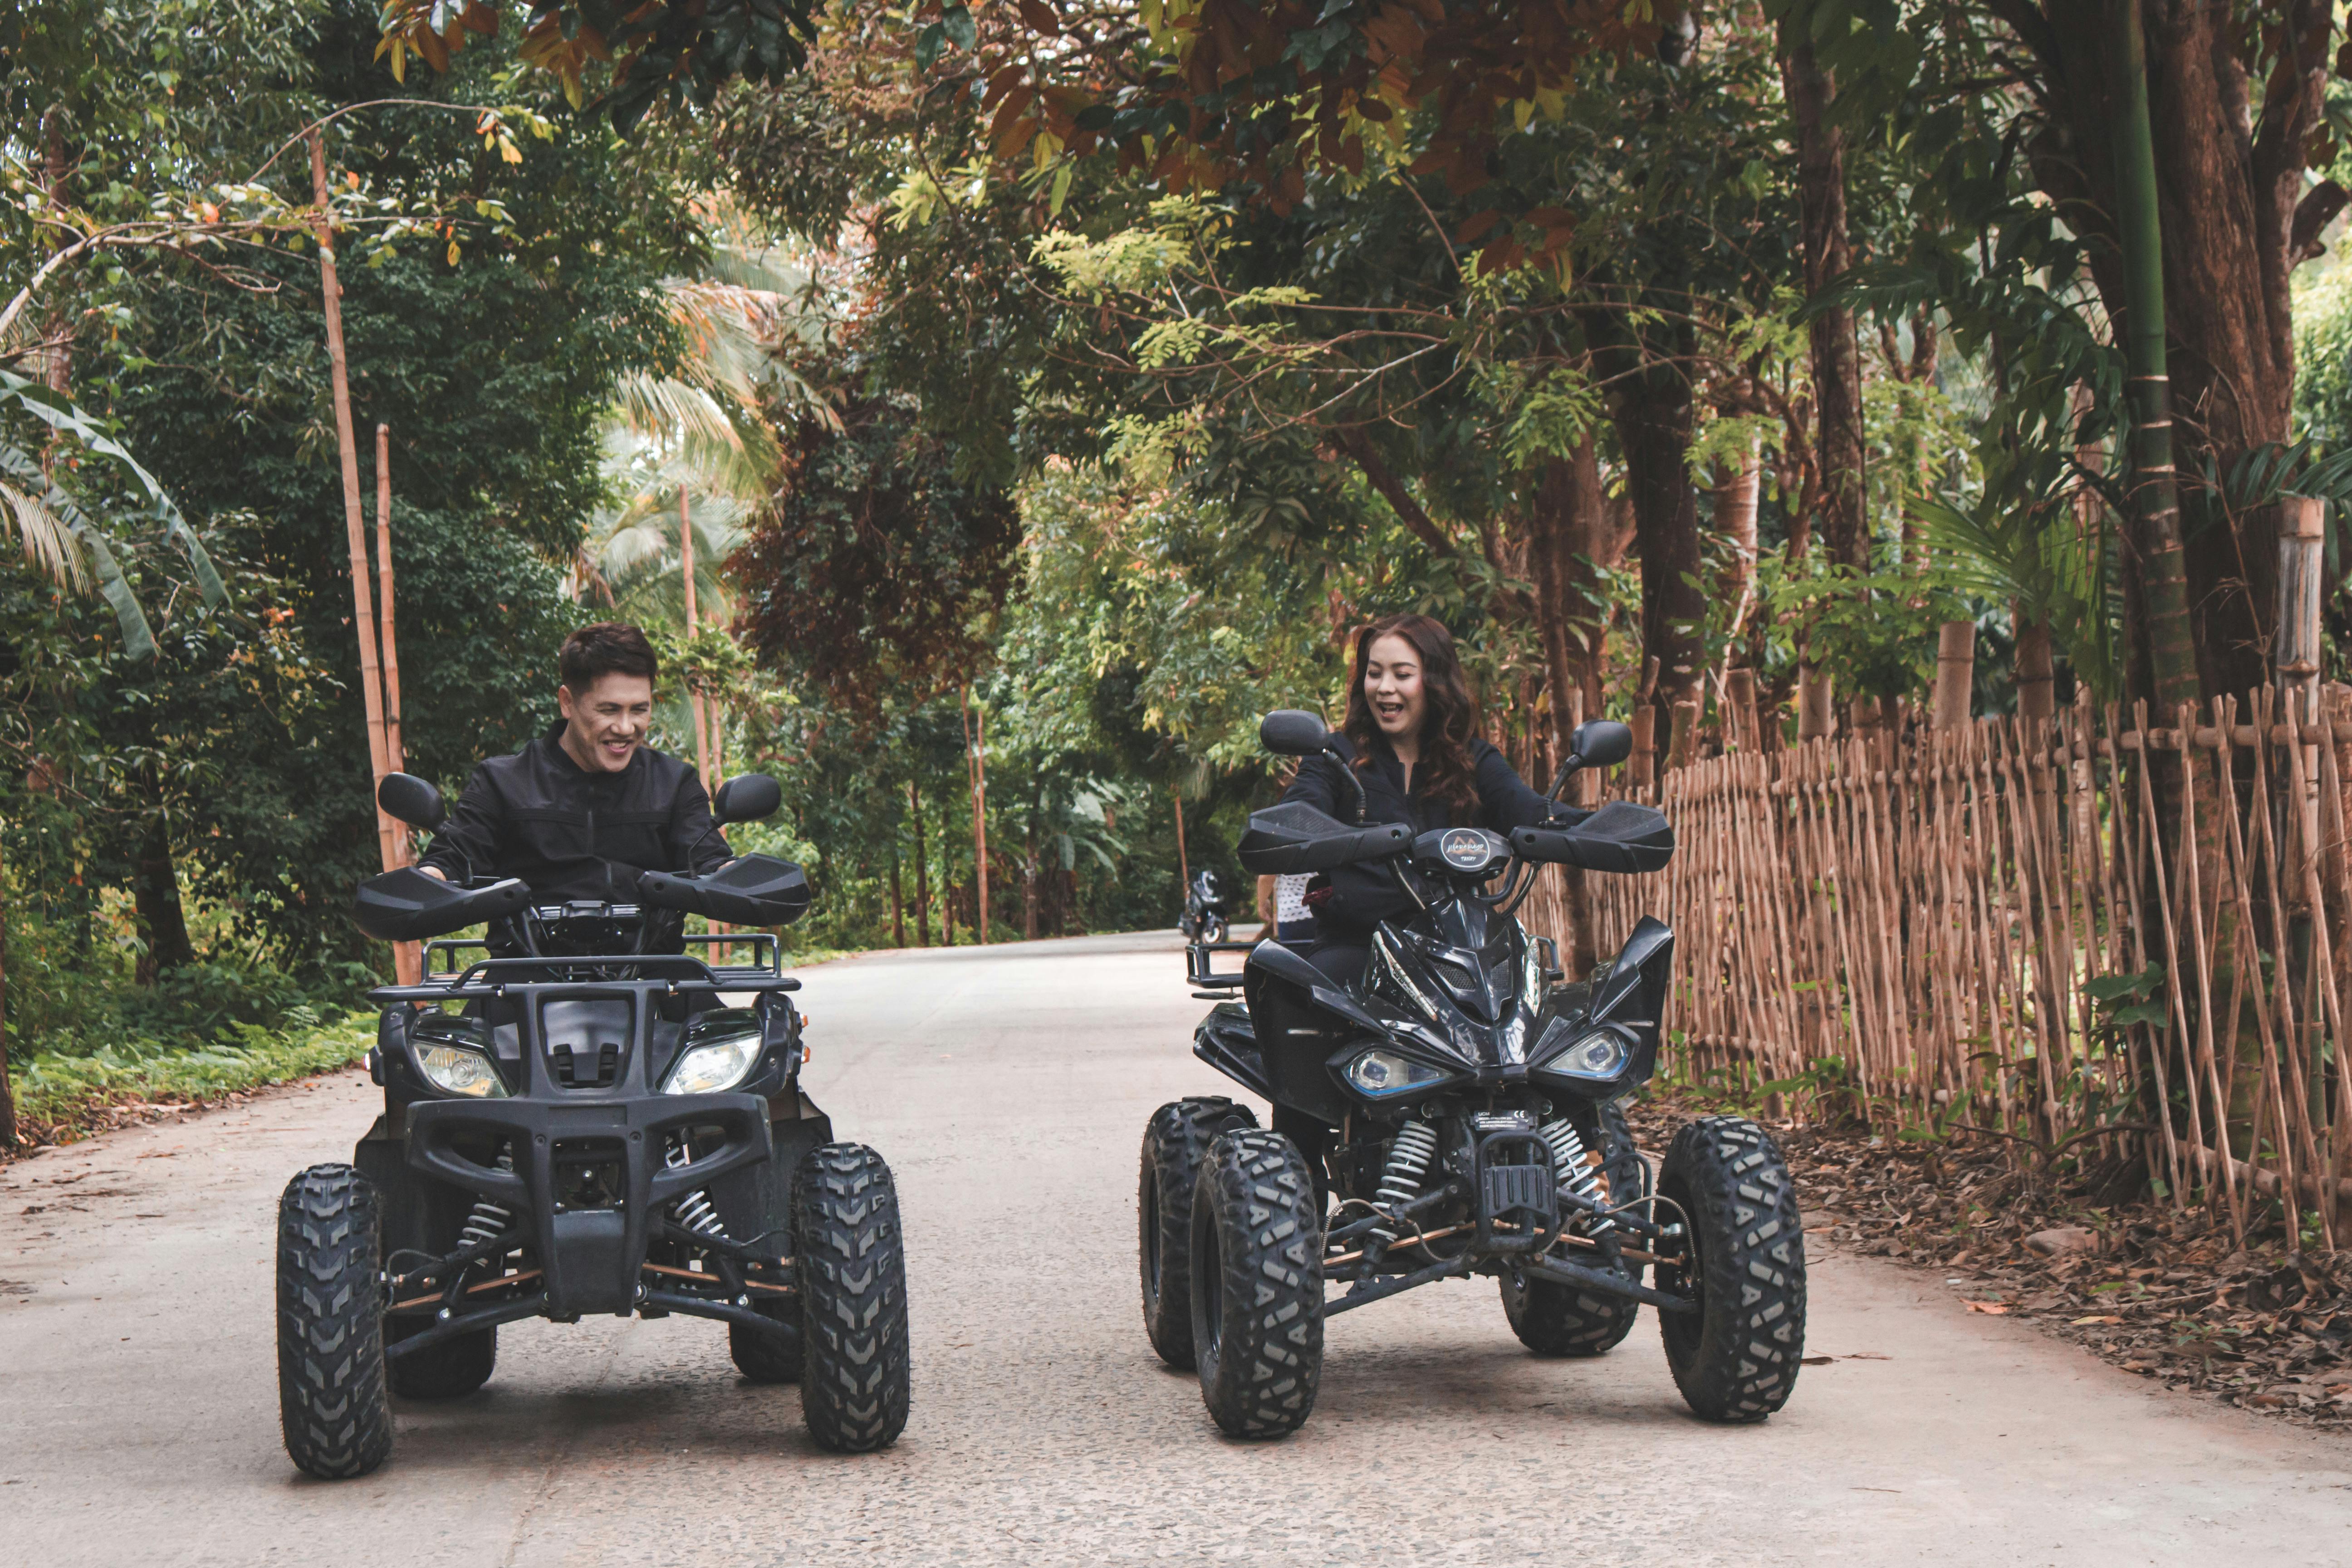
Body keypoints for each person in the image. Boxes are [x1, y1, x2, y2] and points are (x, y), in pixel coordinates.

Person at [1280, 612, 1558, 985]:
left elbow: (1532, 811)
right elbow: (1301, 809)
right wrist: (1289, 828)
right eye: (1375, 673)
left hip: (1462, 950)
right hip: (1357, 947)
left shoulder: (1475, 760)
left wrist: (1605, 828)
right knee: (1308, 1000)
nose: (1384, 687)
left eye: (1402, 674)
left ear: (1434, 682)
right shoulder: (1334, 756)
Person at [418, 622, 731, 948]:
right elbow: (456, 859)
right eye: (609, 710)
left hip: (656, 975)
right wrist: (431, 878)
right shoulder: (500, 782)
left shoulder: (674, 782)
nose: (626, 728)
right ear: (567, 702)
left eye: (639, 710)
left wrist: (736, 873)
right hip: (523, 979)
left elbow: (708, 860)